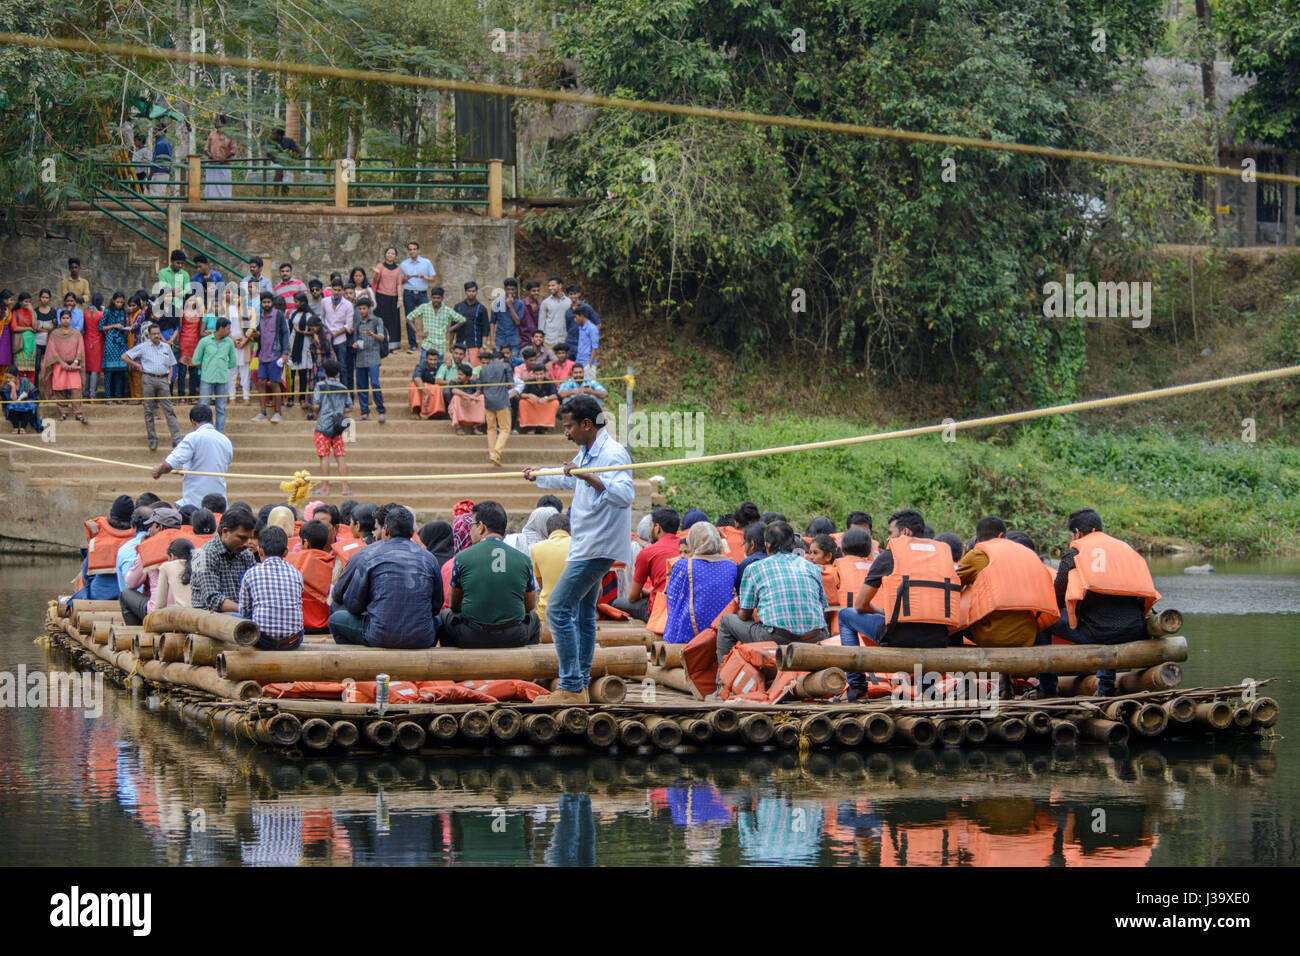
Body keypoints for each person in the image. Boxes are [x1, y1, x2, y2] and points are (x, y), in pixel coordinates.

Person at [523, 394, 634, 704]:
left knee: (558, 609)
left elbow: (624, 494)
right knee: (584, 616)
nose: (566, 433)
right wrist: (541, 475)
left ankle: (571, 686)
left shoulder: (613, 453)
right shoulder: (588, 451)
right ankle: (581, 683)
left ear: (586, 424)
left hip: (596, 547)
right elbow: (574, 481)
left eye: (569, 426)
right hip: (586, 544)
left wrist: (589, 476)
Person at [1032, 508, 1161, 699]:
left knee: (1044, 617)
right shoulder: (1126, 550)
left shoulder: (1074, 554)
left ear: (1077, 533)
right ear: (1097, 528)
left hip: (1100, 632)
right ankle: (1106, 687)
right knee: (1106, 618)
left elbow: (1056, 598)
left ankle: (1048, 689)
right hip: (1135, 629)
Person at [712, 521, 829, 697]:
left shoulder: (755, 568)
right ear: (793, 544)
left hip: (777, 638)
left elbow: (744, 615)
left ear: (766, 545)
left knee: (727, 622)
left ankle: (722, 685)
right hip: (816, 637)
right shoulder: (811, 567)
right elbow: (823, 607)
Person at [329, 506, 442, 648]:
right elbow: (436, 606)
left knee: (335, 619)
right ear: (412, 532)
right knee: (438, 620)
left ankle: (357, 665)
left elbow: (353, 605)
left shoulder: (368, 555)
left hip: (379, 636)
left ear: (386, 530)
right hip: (421, 638)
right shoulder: (429, 558)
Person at [439, 500, 541, 648]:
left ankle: (452, 665)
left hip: (471, 636)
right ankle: (526, 667)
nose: (470, 530)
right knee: (534, 618)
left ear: (481, 527)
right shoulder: (524, 560)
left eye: (471, 525)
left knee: (445, 616)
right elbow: (530, 605)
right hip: (514, 636)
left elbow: (454, 605)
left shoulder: (462, 558)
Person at [953, 516, 1058, 652]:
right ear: (1002, 535)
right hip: (1027, 635)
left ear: (977, 540)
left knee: (960, 605)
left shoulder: (977, 554)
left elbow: (952, 584)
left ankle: (956, 667)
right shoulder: (1026, 553)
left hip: (990, 637)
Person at [663, 521, 739, 644]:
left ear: (692, 542)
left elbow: (672, 599)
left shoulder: (683, 565)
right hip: (722, 631)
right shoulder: (731, 565)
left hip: (689, 632)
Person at [152, 404, 233, 508]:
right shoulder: (225, 441)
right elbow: (212, 465)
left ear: (193, 423)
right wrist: (184, 470)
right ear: (212, 421)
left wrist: (158, 470)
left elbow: (169, 465)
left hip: (196, 504)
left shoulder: (193, 437)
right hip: (220, 505)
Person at [236, 526, 304, 650]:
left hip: (262, 639)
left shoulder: (251, 573)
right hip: (292, 641)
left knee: (234, 617)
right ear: (285, 552)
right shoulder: (296, 573)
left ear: (260, 551)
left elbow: (244, 611)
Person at [613, 505, 680, 624]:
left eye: (651, 526)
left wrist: (644, 593)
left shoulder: (647, 552)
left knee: (617, 603)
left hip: (658, 611)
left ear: (657, 528)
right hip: (683, 608)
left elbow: (633, 597)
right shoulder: (687, 548)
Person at [123, 322, 180, 449]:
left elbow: (172, 364)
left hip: (163, 380)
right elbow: (125, 356)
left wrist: (169, 379)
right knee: (148, 411)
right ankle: (152, 439)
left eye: (158, 333)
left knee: (169, 410)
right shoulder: (143, 347)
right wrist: (136, 365)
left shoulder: (166, 347)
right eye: (154, 334)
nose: (156, 336)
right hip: (148, 379)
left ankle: (176, 439)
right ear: (148, 335)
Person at [190, 508, 257, 612]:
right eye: (242, 538)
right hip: (210, 618)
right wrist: (245, 610)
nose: (246, 544)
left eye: (249, 538)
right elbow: (213, 600)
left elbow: (255, 591)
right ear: (225, 532)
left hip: (240, 614)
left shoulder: (246, 555)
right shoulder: (204, 555)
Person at [286, 519, 337, 634]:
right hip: (326, 627)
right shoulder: (335, 565)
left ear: (305, 543)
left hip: (299, 626)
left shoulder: (291, 563)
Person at [312, 358, 353, 495]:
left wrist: (316, 412)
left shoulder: (320, 385)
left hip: (323, 424)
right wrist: (339, 410)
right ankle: (345, 487)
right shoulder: (343, 388)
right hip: (338, 425)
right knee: (340, 456)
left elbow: (316, 405)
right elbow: (349, 407)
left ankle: (325, 487)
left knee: (324, 456)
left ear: (325, 372)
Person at [39, 309, 86, 423]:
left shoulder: (76, 333)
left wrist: (75, 361)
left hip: (74, 365)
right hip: (59, 365)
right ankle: (63, 412)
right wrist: (61, 363)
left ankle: (78, 413)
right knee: (59, 389)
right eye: (63, 318)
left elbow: (80, 349)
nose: (65, 320)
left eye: (67, 318)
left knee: (76, 389)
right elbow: (52, 351)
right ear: (60, 320)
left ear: (71, 319)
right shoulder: (54, 334)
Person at [191, 317, 237, 432]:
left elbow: (232, 362)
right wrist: (206, 367)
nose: (229, 331)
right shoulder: (205, 341)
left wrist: (222, 367)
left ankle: (219, 434)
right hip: (207, 378)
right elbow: (195, 360)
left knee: (221, 408)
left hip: (222, 378)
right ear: (220, 328)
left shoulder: (229, 342)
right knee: (203, 408)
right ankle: (203, 433)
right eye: (227, 328)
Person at [249, 291, 289, 422]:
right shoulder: (259, 317)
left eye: (268, 302)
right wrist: (255, 336)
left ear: (272, 303)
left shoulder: (279, 316)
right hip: (262, 355)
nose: (266, 304)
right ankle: (262, 412)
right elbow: (258, 337)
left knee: (275, 383)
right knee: (260, 382)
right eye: (264, 302)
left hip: (276, 355)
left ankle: (278, 413)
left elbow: (285, 334)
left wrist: (285, 353)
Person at [530, 512, 571, 626]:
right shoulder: (578, 546)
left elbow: (541, 584)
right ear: (570, 532)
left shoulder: (536, 548)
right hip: (574, 612)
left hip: (546, 612)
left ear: (547, 534)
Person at [408, 286, 459, 379]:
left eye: (438, 298)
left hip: (440, 346)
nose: (436, 300)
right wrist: (417, 331)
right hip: (427, 345)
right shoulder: (424, 307)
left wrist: (449, 329)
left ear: (442, 298)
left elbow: (462, 320)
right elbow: (409, 317)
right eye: (434, 297)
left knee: (439, 373)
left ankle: (436, 393)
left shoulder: (447, 310)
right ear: (431, 297)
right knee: (422, 370)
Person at [351, 298, 386, 422]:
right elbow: (357, 340)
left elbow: (381, 337)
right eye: (360, 309)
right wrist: (355, 344)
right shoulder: (358, 324)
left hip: (374, 357)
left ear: (369, 308)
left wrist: (372, 334)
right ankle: (364, 412)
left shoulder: (377, 321)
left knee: (375, 383)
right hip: (360, 358)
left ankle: (381, 411)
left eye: (364, 308)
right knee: (361, 386)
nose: (362, 311)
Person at [479, 348, 514, 466]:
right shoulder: (505, 366)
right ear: (502, 358)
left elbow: (480, 389)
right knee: (505, 428)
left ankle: (492, 454)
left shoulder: (484, 369)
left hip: (488, 402)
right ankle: (496, 453)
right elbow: (511, 385)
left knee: (491, 429)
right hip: (502, 401)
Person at [321, 278, 355, 395]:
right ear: (331, 289)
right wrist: (326, 334)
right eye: (334, 290)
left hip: (341, 340)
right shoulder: (325, 301)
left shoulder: (348, 305)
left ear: (342, 291)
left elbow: (348, 325)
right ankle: (329, 393)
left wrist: (333, 335)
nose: (336, 292)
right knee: (327, 367)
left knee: (343, 368)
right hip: (327, 340)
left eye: (339, 290)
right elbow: (322, 319)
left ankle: (344, 394)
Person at [399, 240, 436, 347]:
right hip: (408, 294)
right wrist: (405, 279)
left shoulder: (426, 262)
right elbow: (400, 282)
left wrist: (425, 277)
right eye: (410, 249)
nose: (412, 251)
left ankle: (429, 342)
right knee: (410, 318)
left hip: (422, 294)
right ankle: (413, 344)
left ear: (418, 250)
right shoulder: (403, 264)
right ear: (408, 251)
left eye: (414, 249)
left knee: (427, 317)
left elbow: (433, 278)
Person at [370, 246, 404, 348]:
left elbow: (399, 284)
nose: (390, 255)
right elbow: (375, 280)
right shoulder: (380, 266)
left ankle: (392, 345)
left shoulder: (398, 269)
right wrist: (376, 273)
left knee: (393, 322)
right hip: (381, 297)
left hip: (393, 298)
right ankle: (379, 342)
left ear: (395, 256)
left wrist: (400, 298)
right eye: (389, 253)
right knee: (380, 320)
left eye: (393, 253)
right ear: (385, 254)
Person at [99, 292, 130, 402]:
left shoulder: (124, 312)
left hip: (121, 342)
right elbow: (101, 327)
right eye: (117, 302)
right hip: (111, 342)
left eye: (122, 302)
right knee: (109, 371)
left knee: (120, 371)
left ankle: (118, 396)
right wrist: (113, 326)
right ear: (113, 301)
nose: (119, 304)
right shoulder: (107, 311)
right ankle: (108, 397)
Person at [453, 281, 491, 366]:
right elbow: (453, 326)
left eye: (473, 291)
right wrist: (451, 343)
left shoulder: (481, 308)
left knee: (474, 369)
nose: (471, 293)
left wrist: (483, 346)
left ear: (477, 292)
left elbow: (485, 329)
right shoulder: (458, 307)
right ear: (465, 292)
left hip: (475, 345)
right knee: (461, 369)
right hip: (460, 344)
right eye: (469, 291)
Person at [566, 286, 601, 374]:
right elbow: (567, 328)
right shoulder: (568, 311)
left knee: (587, 380)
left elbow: (598, 323)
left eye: (575, 293)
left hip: (586, 353)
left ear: (579, 294)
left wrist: (591, 335)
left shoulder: (586, 308)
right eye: (570, 294)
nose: (573, 296)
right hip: (571, 345)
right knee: (573, 374)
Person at [153, 537, 194, 609]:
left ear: (172, 556)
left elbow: (160, 606)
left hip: (183, 617)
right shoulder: (202, 564)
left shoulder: (166, 566)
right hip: (205, 615)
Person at [202, 115, 237, 199]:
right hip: (212, 165)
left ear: (223, 123)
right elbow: (206, 149)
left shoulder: (230, 135)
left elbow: (233, 150)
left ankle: (224, 203)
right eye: (215, 121)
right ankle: (211, 202)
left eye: (217, 121)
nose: (215, 123)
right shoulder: (212, 134)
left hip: (224, 165)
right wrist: (212, 157)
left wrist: (224, 158)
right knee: (211, 186)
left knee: (224, 186)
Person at [2, 366, 41, 434]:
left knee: (31, 406)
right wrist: (13, 387)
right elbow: (12, 400)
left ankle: (23, 427)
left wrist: (23, 401)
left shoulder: (25, 381)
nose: (8, 379)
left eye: (11, 377)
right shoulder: (7, 384)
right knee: (11, 406)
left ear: (17, 376)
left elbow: (32, 394)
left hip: (24, 406)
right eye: (7, 377)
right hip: (14, 407)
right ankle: (16, 427)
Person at [448, 362, 486, 433]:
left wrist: (472, 397)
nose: (458, 376)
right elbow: (454, 390)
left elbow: (478, 391)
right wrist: (469, 396)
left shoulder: (473, 382)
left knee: (482, 397)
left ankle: (475, 427)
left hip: (470, 404)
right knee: (456, 397)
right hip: (460, 404)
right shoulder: (453, 381)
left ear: (468, 377)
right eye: (458, 374)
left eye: (461, 375)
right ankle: (458, 427)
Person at [491, 278, 525, 353]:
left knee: (513, 362)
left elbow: (517, 322)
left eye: (512, 289)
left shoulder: (520, 304)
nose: (510, 292)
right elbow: (492, 322)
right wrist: (492, 340)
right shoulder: (497, 302)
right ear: (504, 289)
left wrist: (510, 306)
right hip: (499, 339)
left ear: (516, 290)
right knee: (498, 361)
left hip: (513, 340)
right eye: (508, 289)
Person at [82, 293, 104, 400]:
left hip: (86, 340)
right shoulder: (101, 314)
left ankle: (85, 393)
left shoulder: (84, 313)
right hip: (98, 341)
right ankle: (92, 395)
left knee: (87, 368)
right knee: (95, 368)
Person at [734, 520, 768, 590]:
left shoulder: (745, 565)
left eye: (744, 543)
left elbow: (740, 591)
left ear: (752, 545)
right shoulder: (776, 560)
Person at [538, 276, 570, 347]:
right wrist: (541, 339)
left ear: (560, 286)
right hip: (548, 341)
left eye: (553, 285)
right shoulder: (545, 302)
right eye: (549, 286)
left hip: (564, 340)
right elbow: (541, 323)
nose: (550, 288)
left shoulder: (569, 302)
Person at [150, 126, 173, 196]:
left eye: (155, 130)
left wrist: (149, 177)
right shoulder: (166, 143)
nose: (153, 132)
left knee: (157, 195)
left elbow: (155, 162)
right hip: (164, 172)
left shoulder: (160, 144)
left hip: (159, 173)